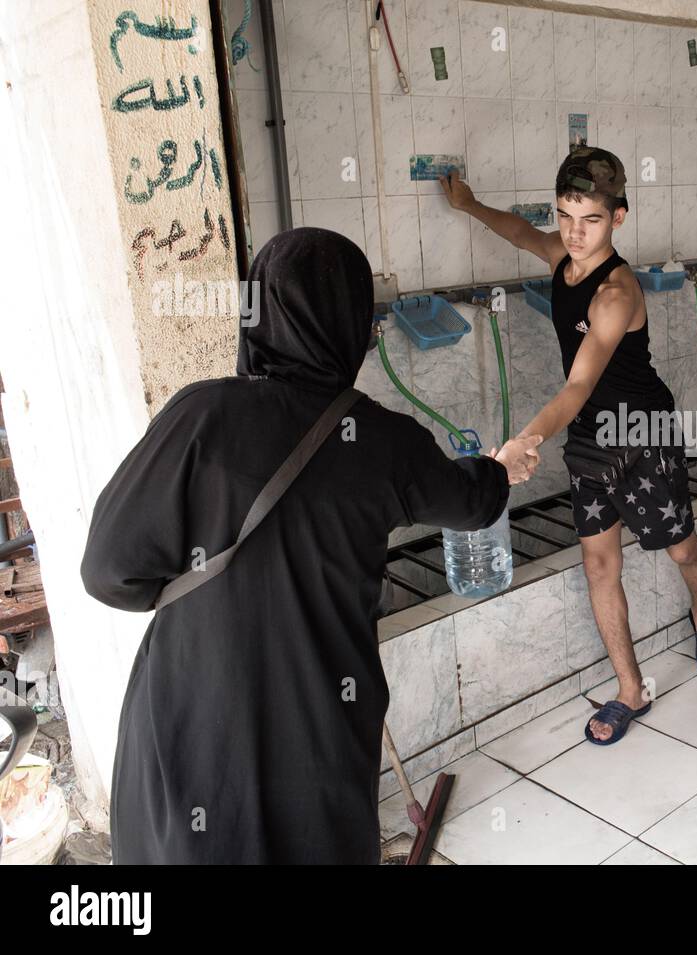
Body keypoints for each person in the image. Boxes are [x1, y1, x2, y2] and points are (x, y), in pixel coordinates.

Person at [81, 227, 540, 864]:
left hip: (191, 706)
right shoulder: (382, 441)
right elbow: (471, 502)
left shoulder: (199, 419)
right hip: (320, 714)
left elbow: (109, 573)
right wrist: (501, 465)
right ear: (353, 322)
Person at [440, 147, 697, 747]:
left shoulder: (616, 294)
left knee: (679, 549)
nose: (574, 232)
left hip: (641, 433)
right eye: (566, 215)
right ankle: (630, 690)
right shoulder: (560, 258)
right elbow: (520, 231)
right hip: (591, 439)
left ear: (618, 217)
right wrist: (469, 206)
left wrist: (526, 438)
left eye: (591, 219)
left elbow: (577, 384)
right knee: (600, 563)